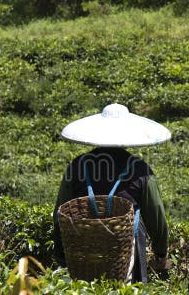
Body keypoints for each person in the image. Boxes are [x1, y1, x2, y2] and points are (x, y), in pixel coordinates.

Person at [52, 103, 172, 282]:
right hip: (124, 245)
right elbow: (156, 215)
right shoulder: (140, 170)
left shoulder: (78, 165)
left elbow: (60, 212)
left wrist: (60, 251)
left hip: (82, 244)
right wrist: (161, 252)